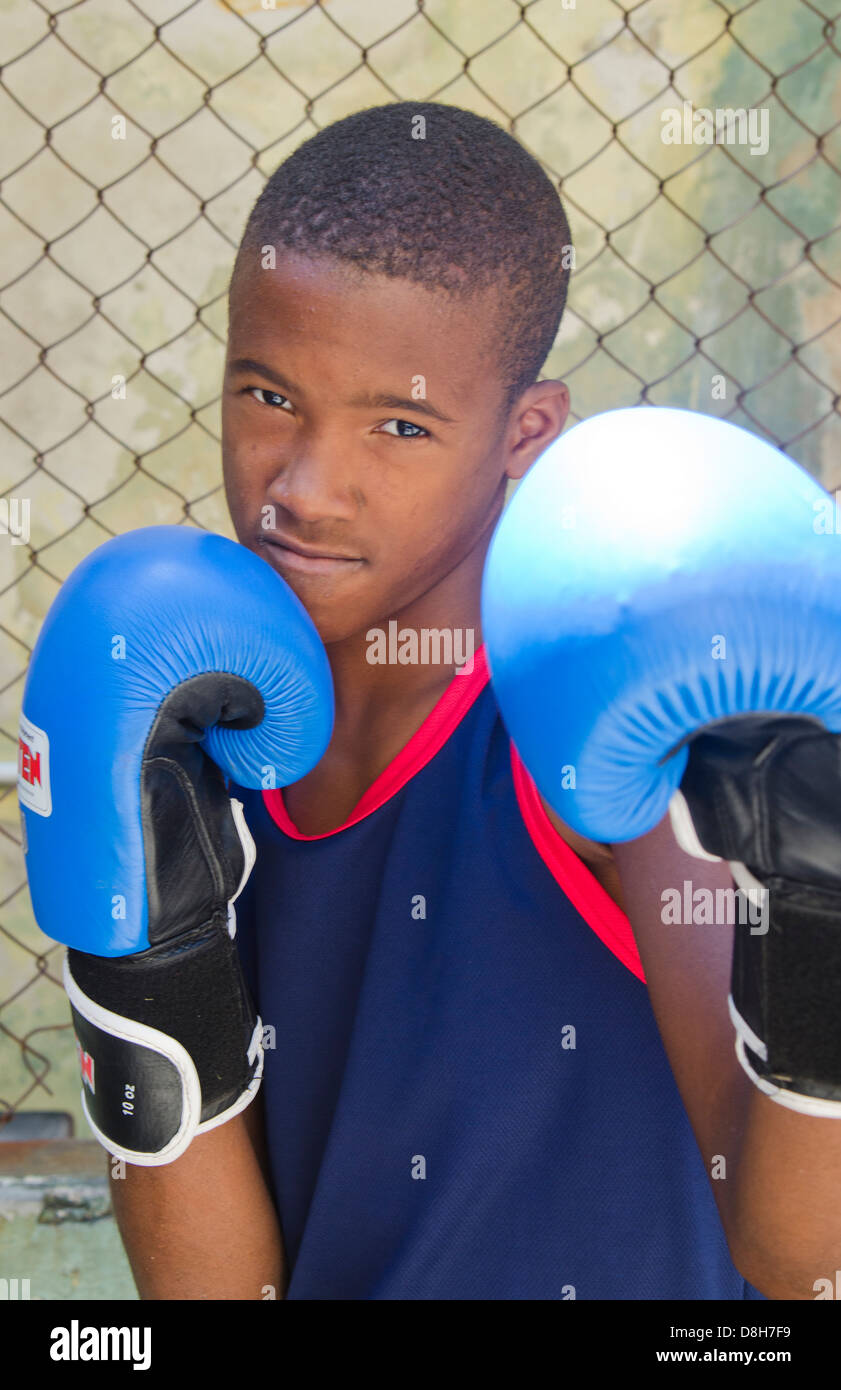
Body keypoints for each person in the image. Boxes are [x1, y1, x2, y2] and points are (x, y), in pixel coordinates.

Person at [108, 102, 835, 1300]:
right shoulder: (193, 730)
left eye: (399, 425)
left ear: (525, 433)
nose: (304, 487)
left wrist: (822, 909)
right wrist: (139, 964)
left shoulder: (598, 713)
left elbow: (802, 1257)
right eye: (267, 395)